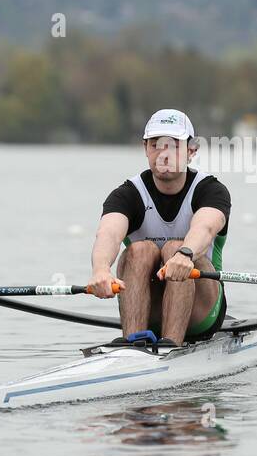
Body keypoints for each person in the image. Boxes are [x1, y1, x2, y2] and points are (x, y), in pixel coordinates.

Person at [86, 109, 230, 346]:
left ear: (191, 151)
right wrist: (101, 269)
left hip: (202, 312)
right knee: (139, 251)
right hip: (147, 308)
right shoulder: (127, 195)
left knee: (176, 248)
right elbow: (108, 234)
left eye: (173, 145)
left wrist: (185, 254)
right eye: (156, 145)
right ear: (146, 149)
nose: (164, 154)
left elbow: (204, 228)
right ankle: (132, 343)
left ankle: (170, 344)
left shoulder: (211, 191)